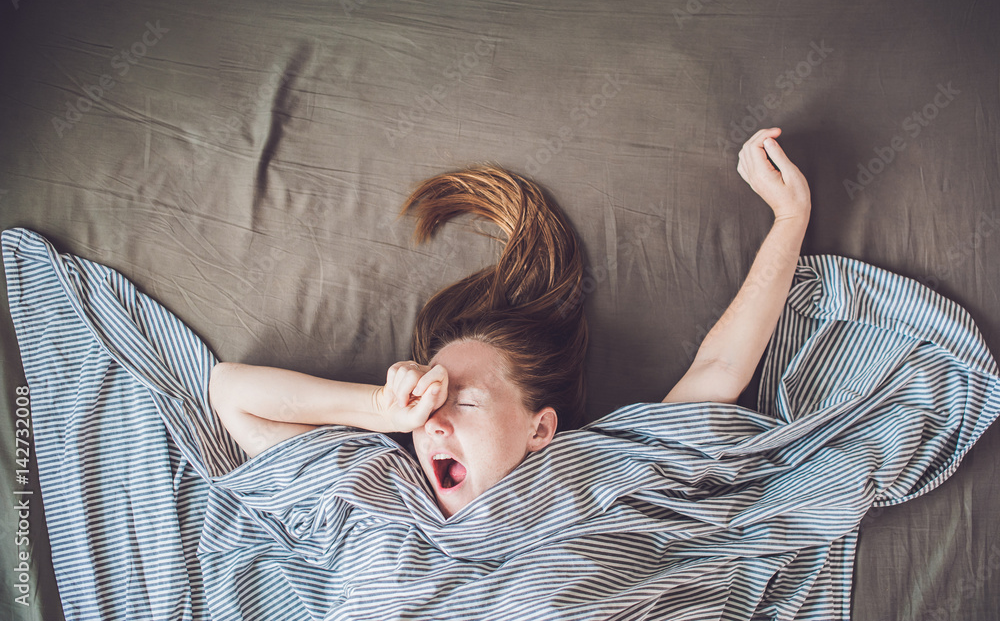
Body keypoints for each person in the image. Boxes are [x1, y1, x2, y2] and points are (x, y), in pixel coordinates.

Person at [209, 127, 810, 519]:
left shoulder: (600, 479)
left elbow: (720, 368)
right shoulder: (377, 494)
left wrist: (790, 218)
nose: (433, 426)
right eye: (428, 403)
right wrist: (384, 411)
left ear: (540, 430)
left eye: (463, 403)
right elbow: (230, 394)